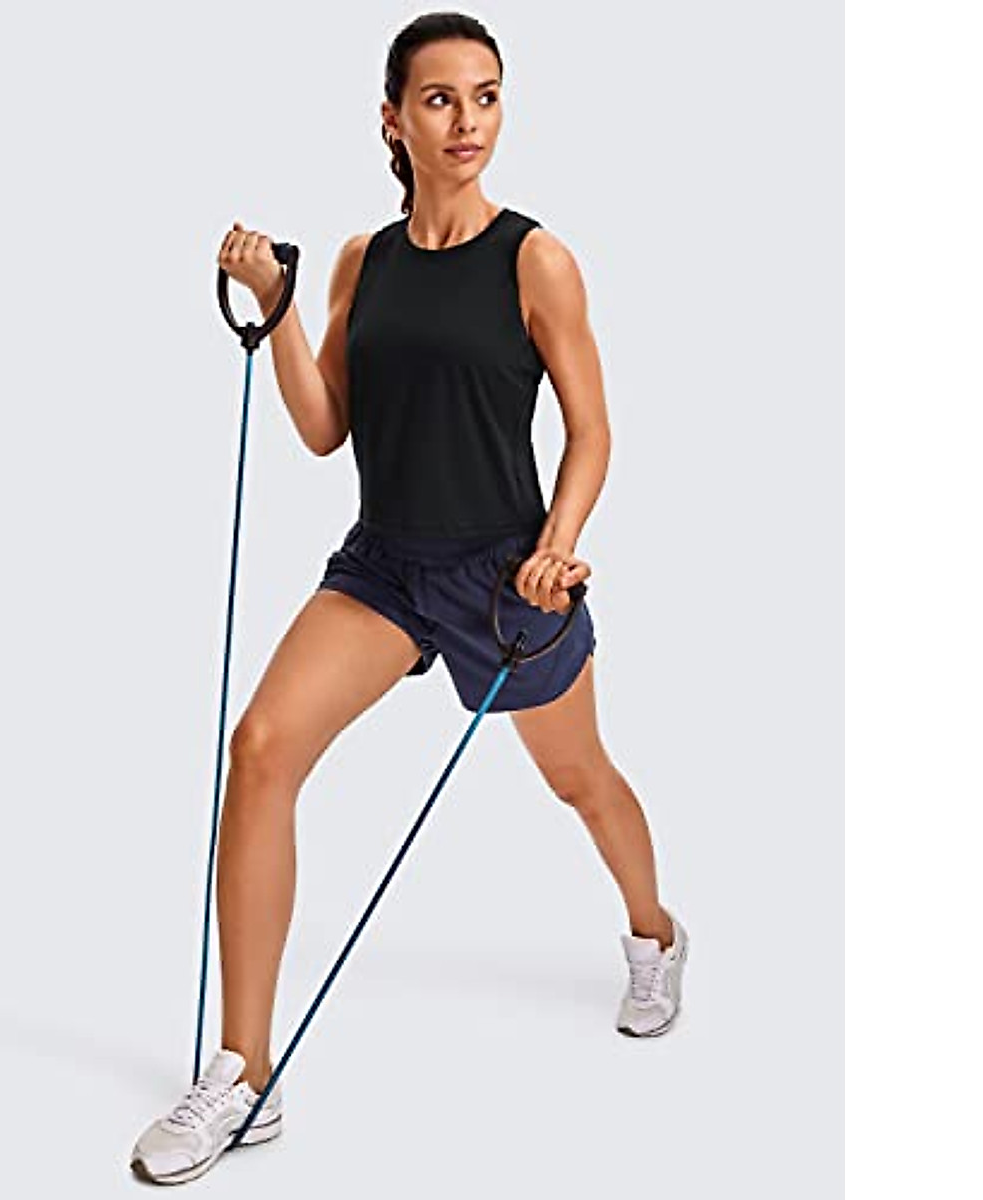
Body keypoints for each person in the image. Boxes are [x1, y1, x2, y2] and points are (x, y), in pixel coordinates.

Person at [130, 11, 689, 1186]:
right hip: (383, 565)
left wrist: (557, 547)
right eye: (440, 99)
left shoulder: (536, 260)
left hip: (503, 573)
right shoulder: (363, 261)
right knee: (262, 749)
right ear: (393, 120)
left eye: (486, 96)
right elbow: (324, 427)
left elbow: (592, 431)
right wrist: (278, 304)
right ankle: (244, 1074)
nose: (467, 121)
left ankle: (654, 932)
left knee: (580, 779)